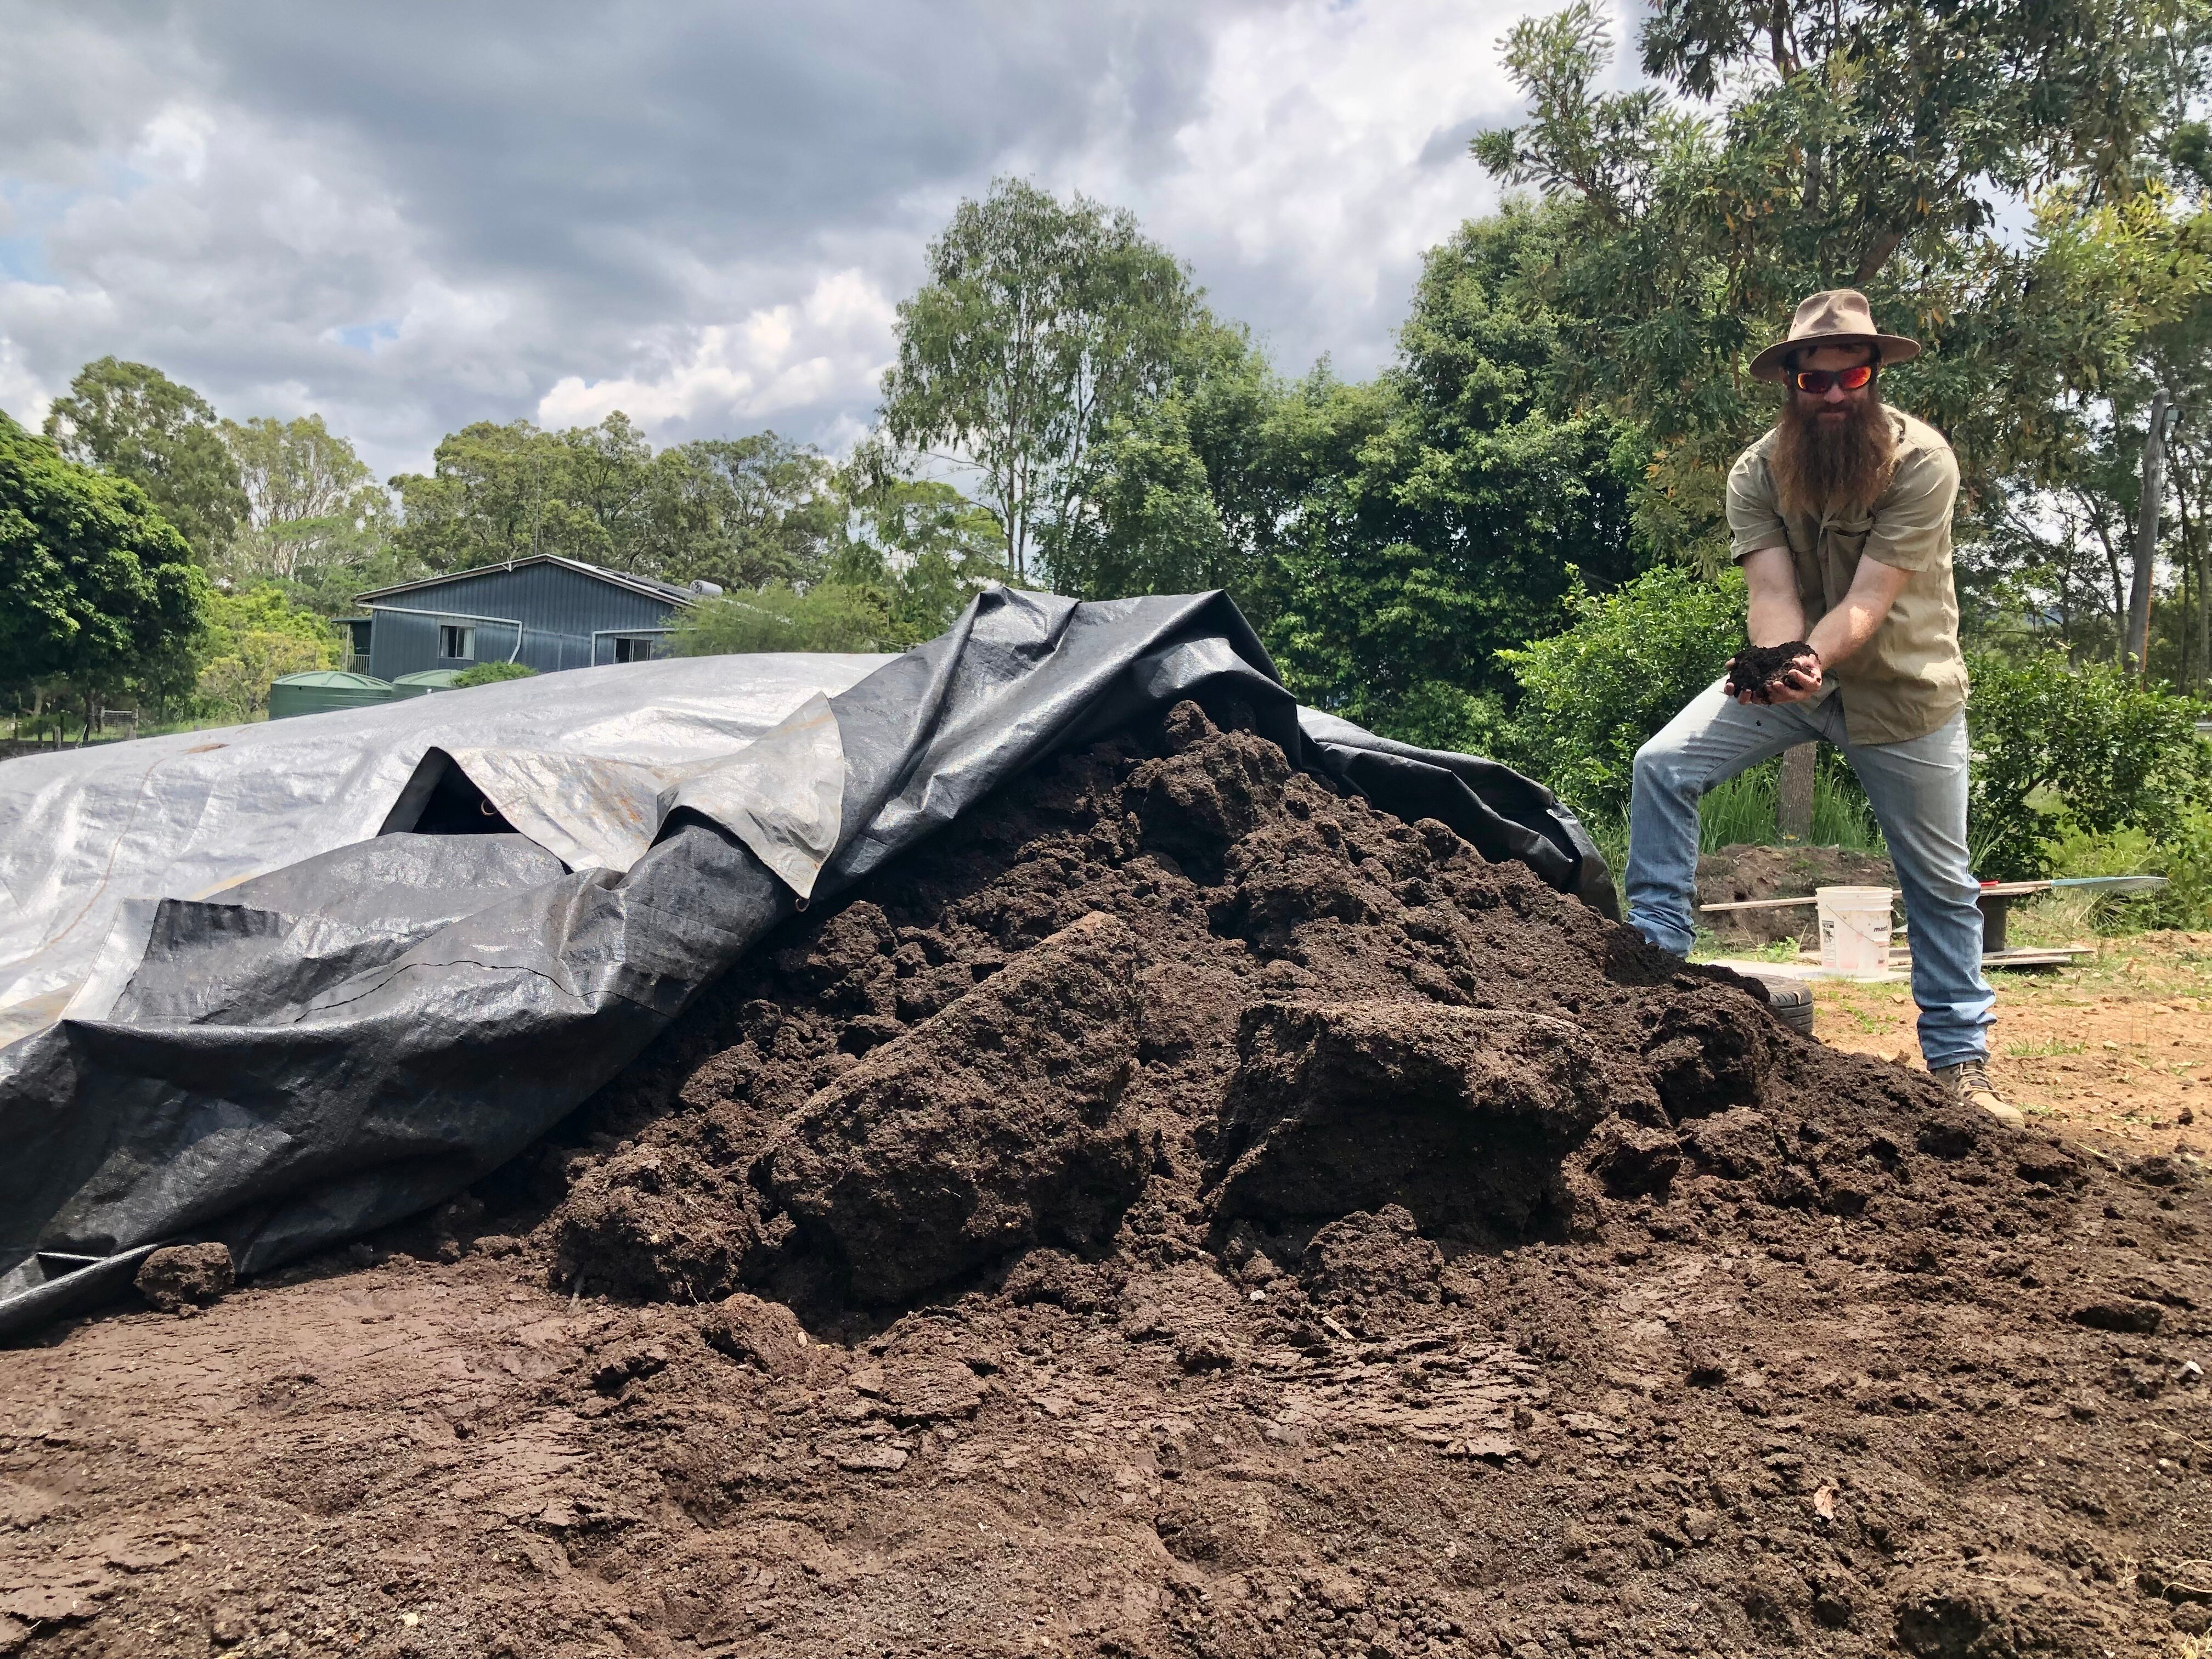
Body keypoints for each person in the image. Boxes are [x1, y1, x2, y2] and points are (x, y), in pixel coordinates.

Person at [1624, 289, 2021, 1128]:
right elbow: (1771, 591)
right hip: (1796, 683)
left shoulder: (1922, 462)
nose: (1835, 397)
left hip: (1902, 694)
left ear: (1873, 377)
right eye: (1817, 383)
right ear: (1792, 384)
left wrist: (1809, 657)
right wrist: (1775, 665)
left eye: (1853, 378)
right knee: (1664, 764)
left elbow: (1871, 602)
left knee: (1941, 883)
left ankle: (1962, 1067)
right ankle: (1651, 966)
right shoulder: (1756, 472)